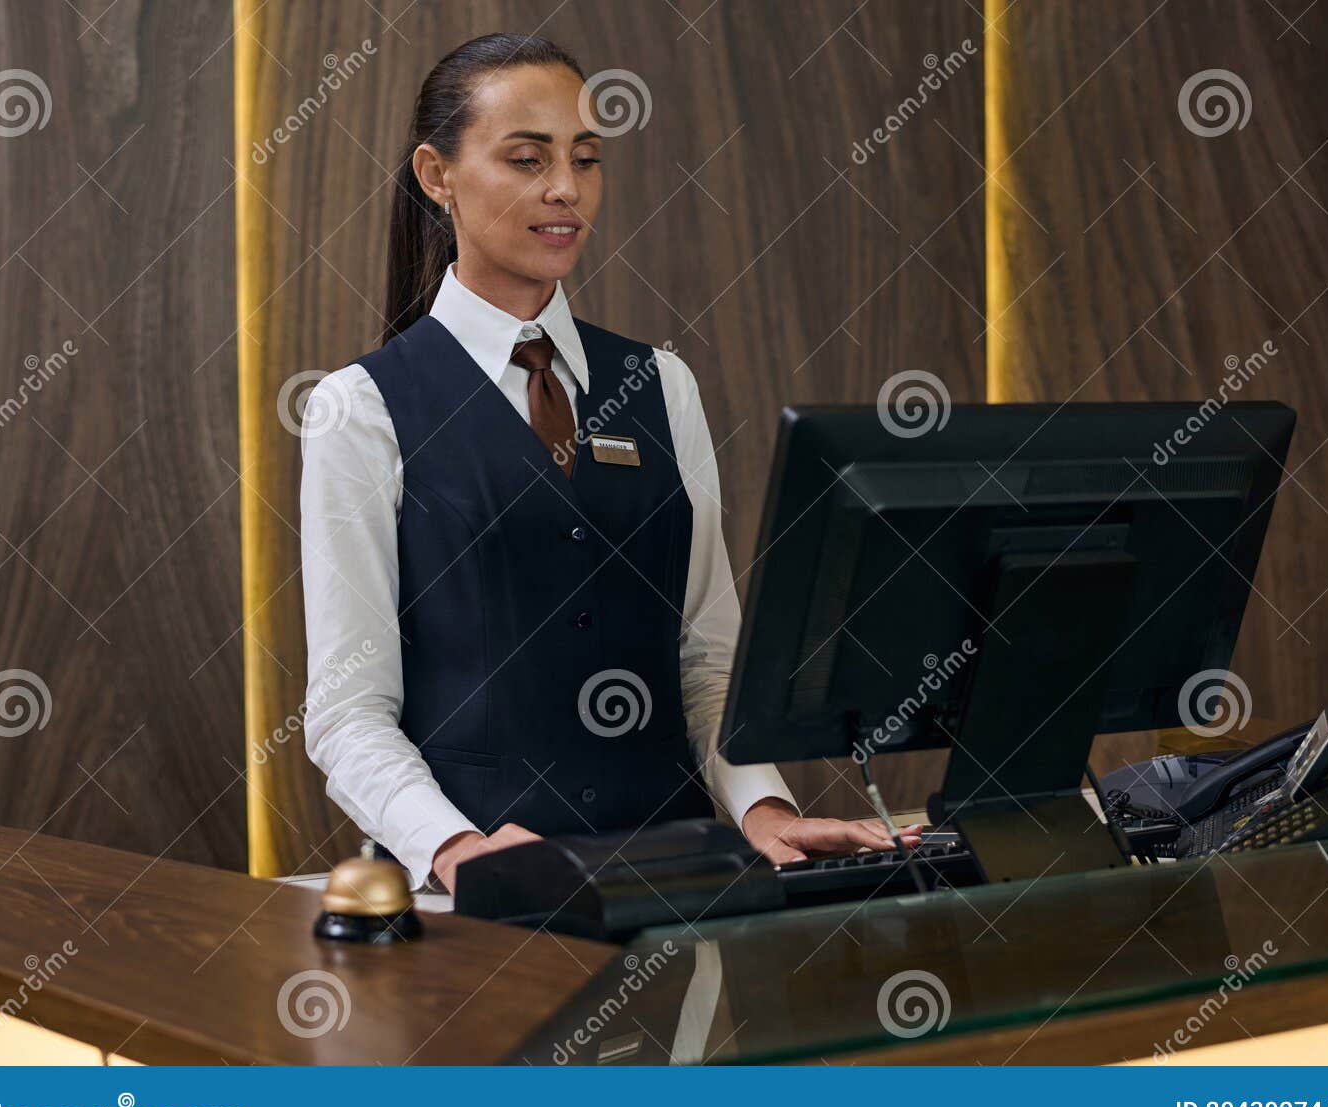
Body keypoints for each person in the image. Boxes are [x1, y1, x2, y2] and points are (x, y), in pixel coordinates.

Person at [299, 33, 919, 895]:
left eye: (585, 160)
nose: (566, 189)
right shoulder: (360, 408)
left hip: (681, 878)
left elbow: (707, 656)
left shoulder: (661, 384)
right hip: (474, 903)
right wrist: (451, 846)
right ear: (437, 176)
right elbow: (345, 712)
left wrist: (763, 809)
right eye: (526, 158)